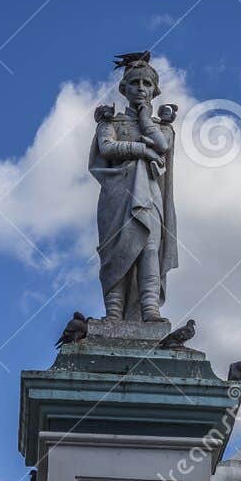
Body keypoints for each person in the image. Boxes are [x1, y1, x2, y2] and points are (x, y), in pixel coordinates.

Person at [89, 52, 178, 325]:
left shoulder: (163, 128)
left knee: (149, 248)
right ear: (123, 88)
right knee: (116, 250)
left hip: (149, 196)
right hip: (116, 195)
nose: (140, 88)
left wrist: (145, 119)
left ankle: (150, 310)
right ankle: (113, 313)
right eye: (135, 82)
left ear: (154, 91)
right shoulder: (110, 123)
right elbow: (107, 148)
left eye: (146, 83)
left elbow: (162, 145)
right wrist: (143, 151)